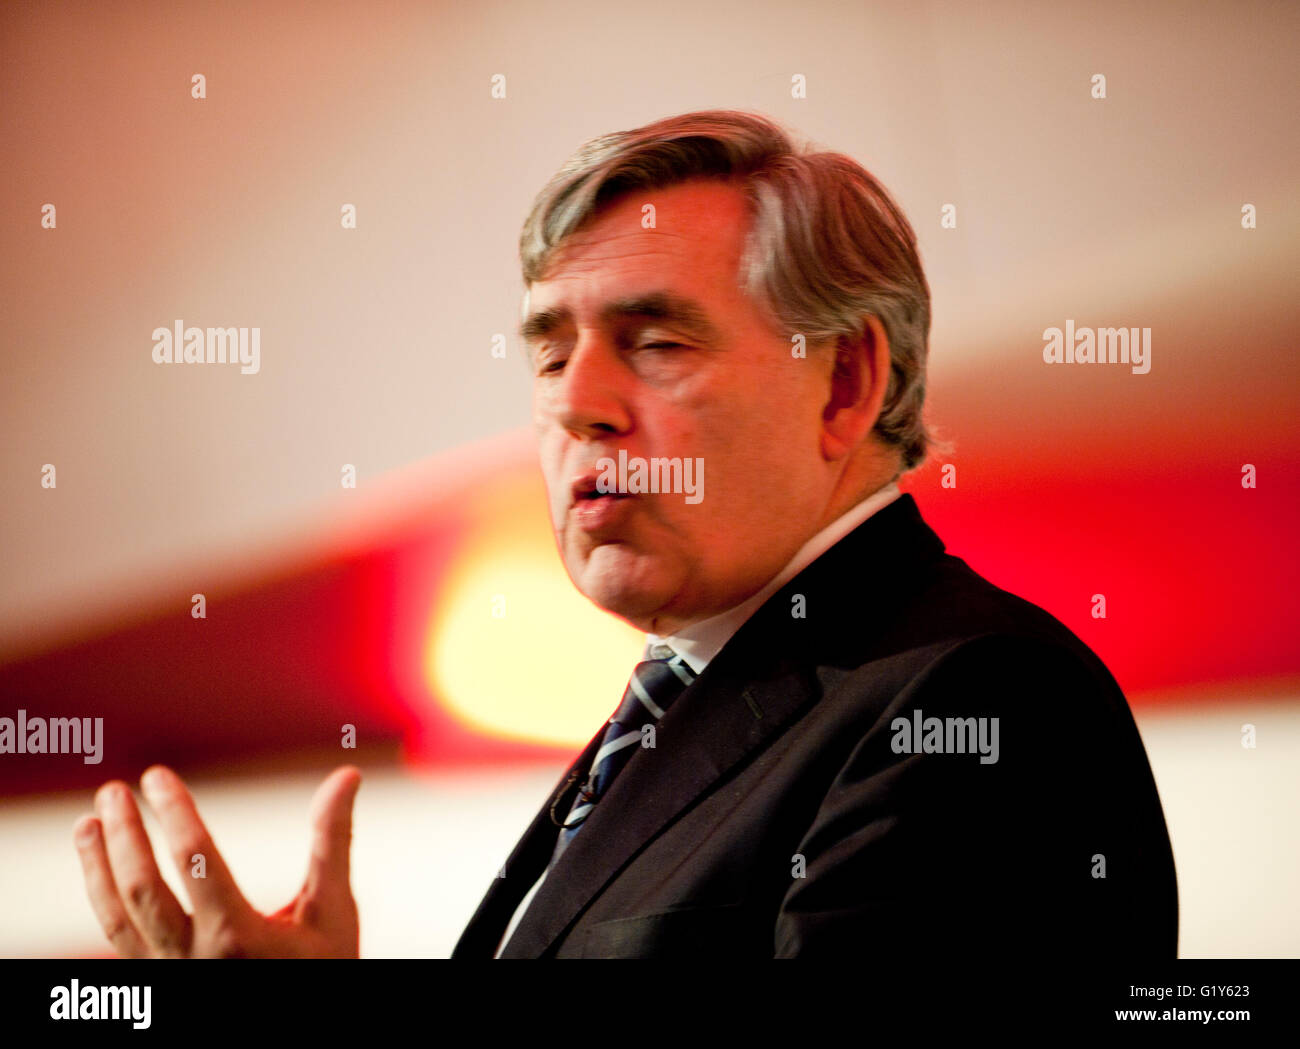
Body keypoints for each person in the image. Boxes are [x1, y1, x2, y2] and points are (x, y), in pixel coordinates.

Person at [73, 110, 1178, 960]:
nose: (574, 401)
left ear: (844, 381)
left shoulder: (977, 705)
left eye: (653, 341)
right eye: (550, 355)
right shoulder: (690, 699)